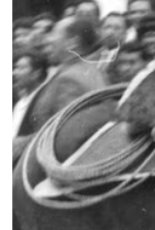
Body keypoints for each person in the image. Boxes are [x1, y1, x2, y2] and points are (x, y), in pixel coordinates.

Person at [13, 17, 108, 162]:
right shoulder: (87, 70)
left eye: (54, 34)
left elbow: (66, 135)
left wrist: (22, 144)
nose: (48, 40)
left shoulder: (71, 79)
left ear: (72, 43)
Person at [13, 48, 49, 127]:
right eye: (15, 68)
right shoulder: (20, 103)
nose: (14, 73)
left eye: (21, 68)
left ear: (36, 73)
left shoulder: (46, 100)